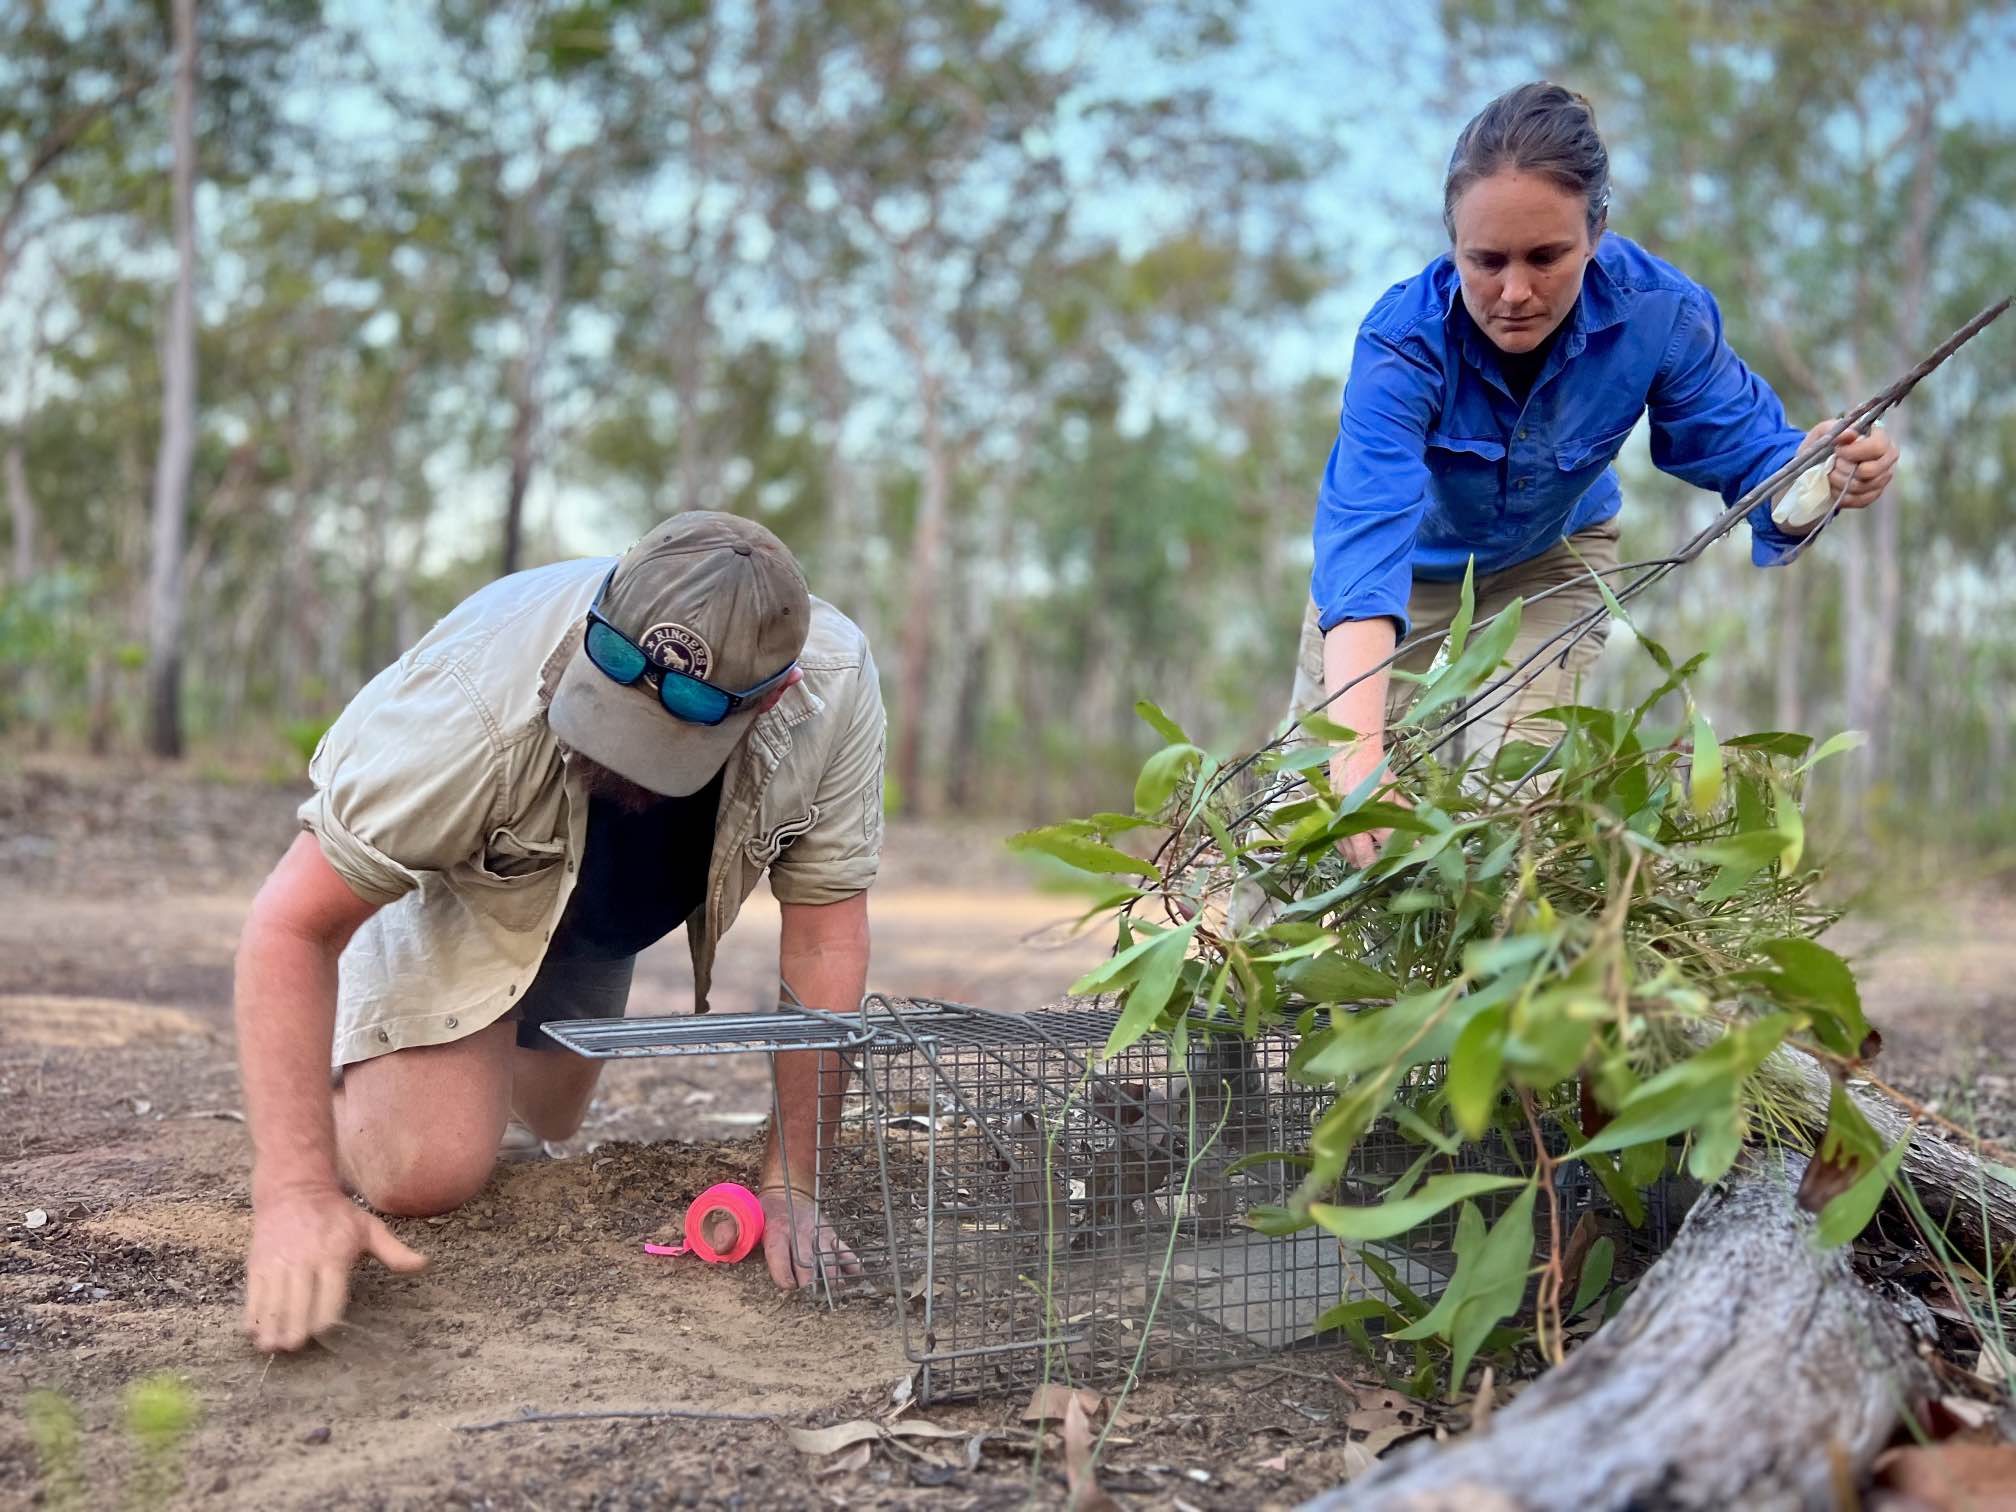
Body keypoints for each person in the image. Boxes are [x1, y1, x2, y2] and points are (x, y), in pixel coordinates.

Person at [234, 511, 886, 1353]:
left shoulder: (833, 686)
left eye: (677, 716)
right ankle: (363, 1043)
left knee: (552, 1117)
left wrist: (795, 1181)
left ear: (773, 697)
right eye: (612, 670)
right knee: (425, 1170)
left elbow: (826, 940)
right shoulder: (471, 704)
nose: (621, 737)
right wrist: (295, 1189)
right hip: (473, 873)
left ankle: (449, 1041)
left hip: (607, 905)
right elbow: (290, 925)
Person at [1290, 82, 1900, 862]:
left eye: (1546, 258)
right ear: (1453, 245)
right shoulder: (1402, 345)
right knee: (1305, 805)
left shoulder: (1659, 314)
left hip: (1552, 563)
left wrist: (1822, 475)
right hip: (1401, 573)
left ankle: (1492, 975)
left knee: (1512, 806)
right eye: (1486, 261)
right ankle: (1241, 975)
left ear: (1597, 233)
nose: (1514, 292)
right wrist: (1354, 759)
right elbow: (1364, 545)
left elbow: (1756, 463)